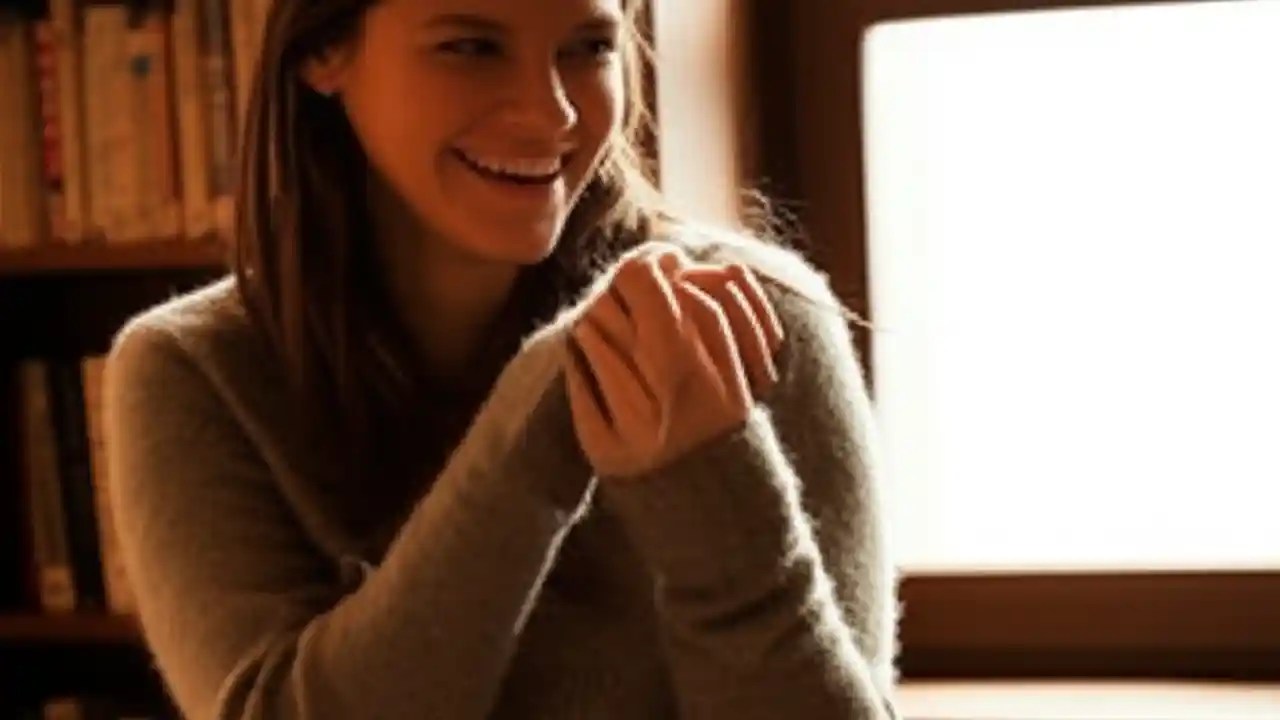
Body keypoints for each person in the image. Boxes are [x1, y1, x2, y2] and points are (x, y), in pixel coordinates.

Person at [103, 0, 901, 717]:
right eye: (471, 47)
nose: (548, 113)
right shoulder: (189, 372)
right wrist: (537, 421)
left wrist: (718, 490)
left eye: (588, 48)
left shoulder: (756, 320)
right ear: (322, 53)